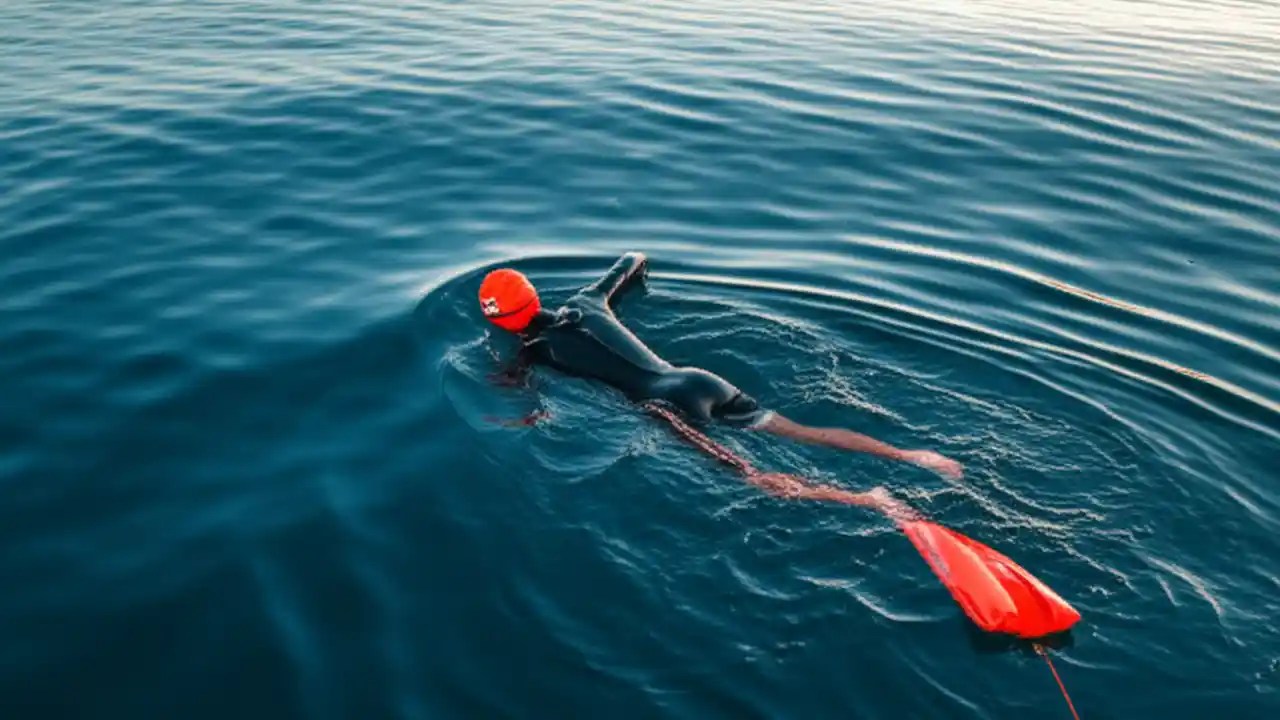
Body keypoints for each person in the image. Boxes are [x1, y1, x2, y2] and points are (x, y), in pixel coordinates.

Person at [478, 252, 962, 508]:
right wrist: (637, 265)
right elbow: (630, 261)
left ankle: (870, 501)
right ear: (533, 293)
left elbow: (521, 405)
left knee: (751, 477)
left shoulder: (531, 354)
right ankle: (913, 456)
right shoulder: (588, 302)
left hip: (667, 409)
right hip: (696, 380)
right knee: (803, 432)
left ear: (498, 321)